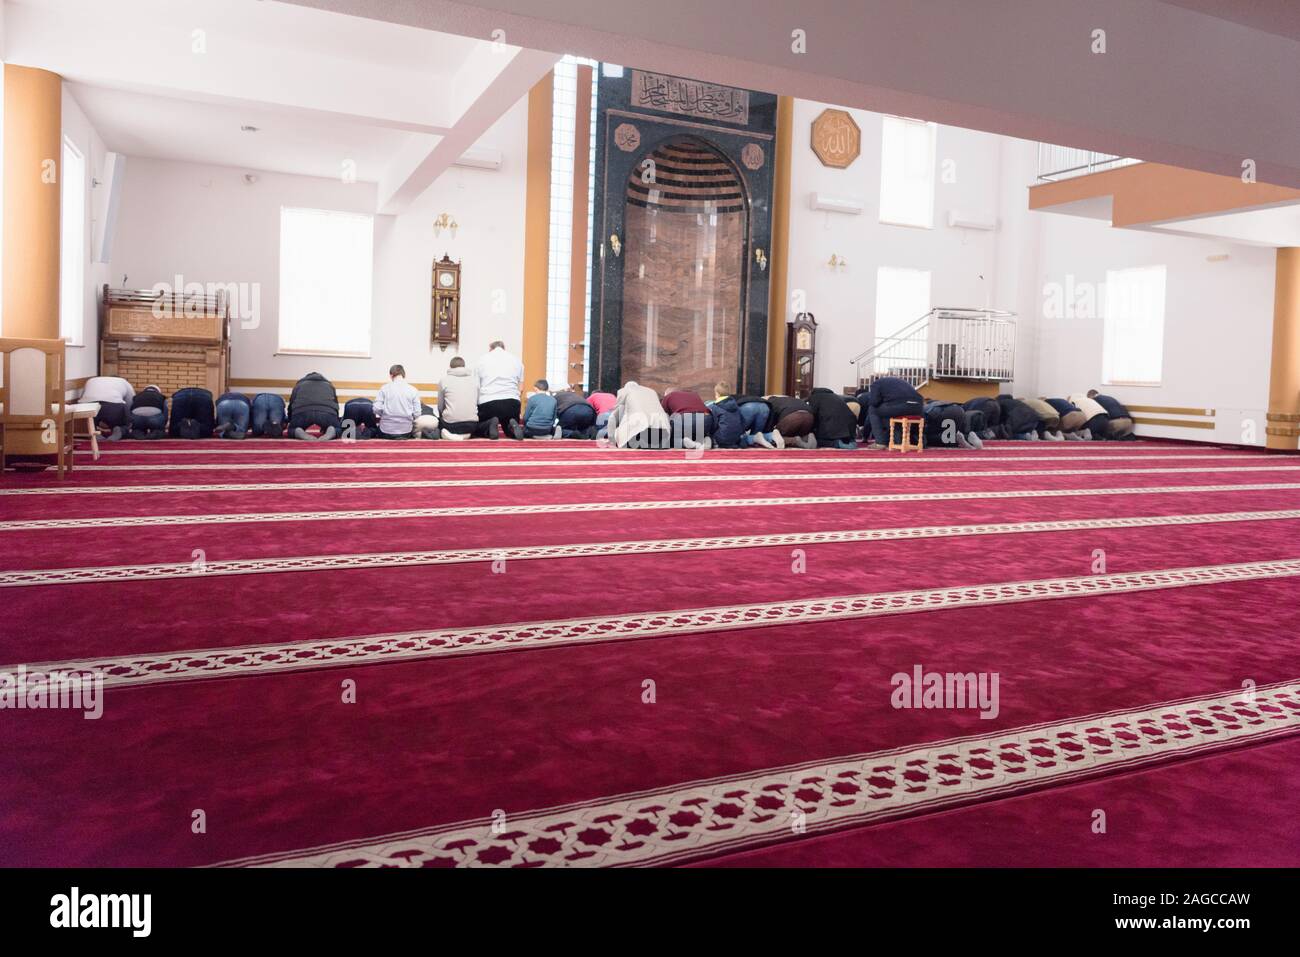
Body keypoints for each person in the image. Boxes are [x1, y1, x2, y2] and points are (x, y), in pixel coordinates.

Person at [438, 357, 498, 440]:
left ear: (450, 366)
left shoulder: (444, 380)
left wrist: (442, 417)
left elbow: (440, 406)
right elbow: (477, 402)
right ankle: (488, 425)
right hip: (471, 424)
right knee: (477, 427)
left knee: (437, 422)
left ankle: (450, 434)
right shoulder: (474, 380)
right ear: (464, 366)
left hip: (451, 425)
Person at [476, 340, 524, 439]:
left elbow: (476, 386)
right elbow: (521, 388)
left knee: (478, 426)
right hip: (512, 402)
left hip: (489, 403)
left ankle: (489, 425)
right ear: (504, 348)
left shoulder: (482, 359)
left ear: (490, 349)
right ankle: (511, 426)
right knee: (508, 424)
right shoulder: (516, 360)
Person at [862, 376, 924, 450]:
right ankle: (897, 442)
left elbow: (874, 402)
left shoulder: (876, 383)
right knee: (890, 413)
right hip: (918, 407)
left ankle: (880, 442)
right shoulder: (901, 382)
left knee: (872, 409)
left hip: (901, 406)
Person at [607, 381, 671, 449]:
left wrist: (611, 441)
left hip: (638, 433)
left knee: (620, 432)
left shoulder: (624, 391)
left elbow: (612, 418)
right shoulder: (652, 391)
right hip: (662, 434)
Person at [372, 364, 422, 439]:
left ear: (391, 375)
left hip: (386, 431)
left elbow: (376, 408)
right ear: (403, 375)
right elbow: (417, 413)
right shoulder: (413, 390)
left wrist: (384, 415)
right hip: (406, 432)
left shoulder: (384, 388)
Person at [288, 372, 342, 441]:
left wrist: (290, 419)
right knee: (337, 428)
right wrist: (335, 419)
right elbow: (335, 403)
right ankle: (332, 430)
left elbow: (291, 402)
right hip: (326, 412)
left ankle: (298, 431)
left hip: (303, 411)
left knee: (292, 429)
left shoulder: (299, 385)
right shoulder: (329, 385)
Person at [80, 376, 134, 440]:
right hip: (113, 407)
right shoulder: (124, 381)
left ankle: (92, 431)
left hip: (89, 407)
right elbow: (130, 401)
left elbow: (83, 397)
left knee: (90, 420)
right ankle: (120, 429)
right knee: (127, 419)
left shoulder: (91, 380)